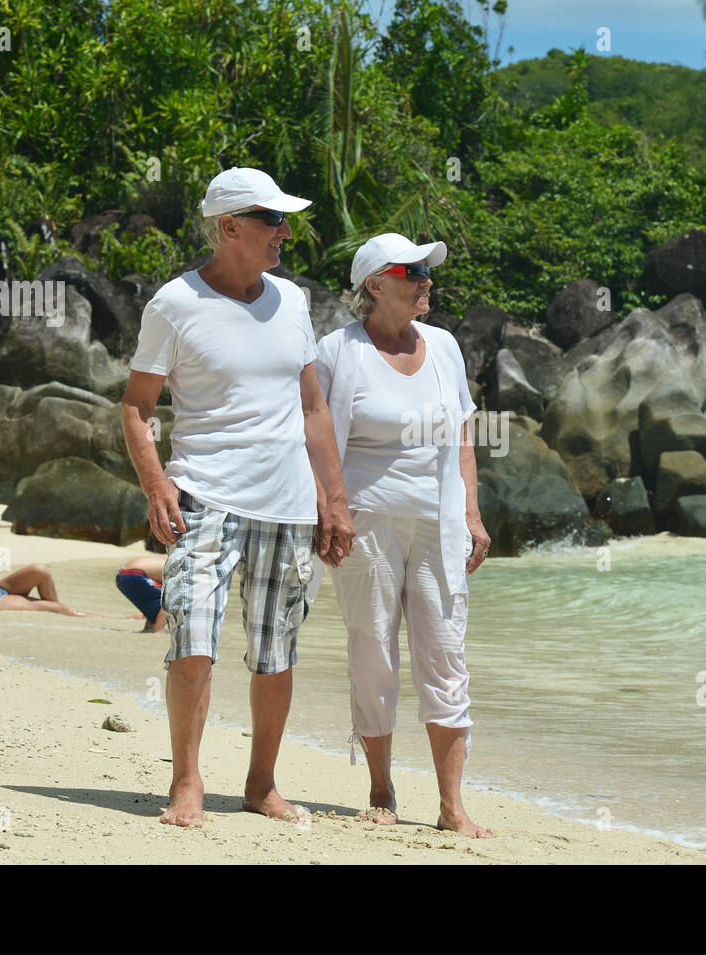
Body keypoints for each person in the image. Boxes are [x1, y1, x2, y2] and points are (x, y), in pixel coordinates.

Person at [121, 167, 354, 829]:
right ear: (229, 227)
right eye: (272, 220)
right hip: (205, 497)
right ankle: (187, 784)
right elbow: (137, 408)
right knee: (191, 638)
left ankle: (261, 785)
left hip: (286, 505)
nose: (285, 231)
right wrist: (157, 483)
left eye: (284, 219)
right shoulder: (174, 304)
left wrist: (333, 501)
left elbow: (313, 408)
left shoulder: (294, 301)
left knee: (276, 652)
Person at [310, 233, 493, 837]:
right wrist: (328, 512)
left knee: (445, 653)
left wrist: (471, 513)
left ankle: (452, 804)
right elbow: (317, 440)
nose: (425, 279)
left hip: (438, 524)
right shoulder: (339, 351)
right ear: (374, 284)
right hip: (367, 523)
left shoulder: (443, 345)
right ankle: (381, 786)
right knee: (374, 652)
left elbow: (462, 437)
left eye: (427, 270)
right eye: (411, 270)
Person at [115, 556, 167, 632]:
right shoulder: (187, 571)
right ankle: (158, 631)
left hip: (122, 575)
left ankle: (150, 628)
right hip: (135, 574)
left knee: (158, 600)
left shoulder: (177, 561)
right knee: (172, 600)